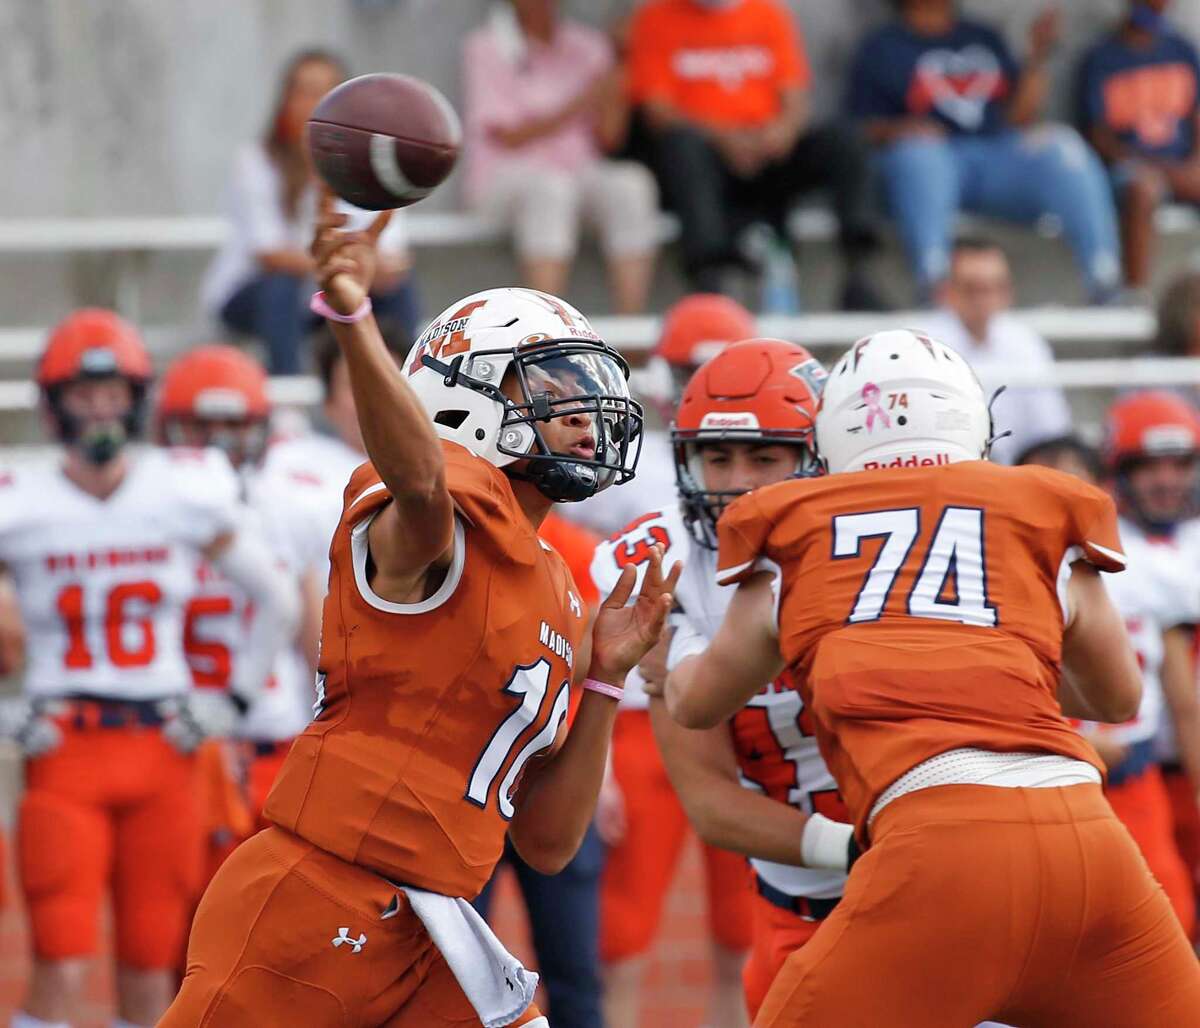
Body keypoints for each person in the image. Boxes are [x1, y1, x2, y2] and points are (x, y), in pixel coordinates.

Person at [162, 192, 678, 1027]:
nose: (581, 411)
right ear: (460, 397)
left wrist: (606, 685)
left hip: (433, 926)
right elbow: (422, 483)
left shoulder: (557, 580)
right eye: (549, 384)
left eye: (586, 387)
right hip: (316, 897)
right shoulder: (432, 519)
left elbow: (546, 844)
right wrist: (355, 318)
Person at [656, 328, 1200, 1025]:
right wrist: (987, 637)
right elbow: (1119, 698)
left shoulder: (790, 542)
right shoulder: (1040, 516)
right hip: (1089, 839)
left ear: (829, 440)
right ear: (974, 423)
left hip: (938, 847)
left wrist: (674, 646)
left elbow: (697, 704)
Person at [0, 310, 296, 1028]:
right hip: (65, 746)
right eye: (84, 394)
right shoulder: (21, 499)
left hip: (165, 749)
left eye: (112, 394)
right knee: (62, 959)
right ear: (52, 402)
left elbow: (278, 598)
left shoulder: (178, 491)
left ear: (137, 399)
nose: (100, 410)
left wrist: (229, 699)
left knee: (149, 962)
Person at [611, 339, 842, 1024]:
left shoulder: (878, 546)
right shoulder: (669, 569)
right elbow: (709, 801)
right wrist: (854, 847)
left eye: (764, 457)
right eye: (718, 457)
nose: (739, 481)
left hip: (922, 886)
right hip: (794, 896)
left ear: (818, 455)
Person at [1021, 399, 1200, 936]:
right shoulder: (1000, 573)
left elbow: (1182, 695)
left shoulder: (1137, 564)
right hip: (1044, 778)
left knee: (1167, 917)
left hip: (1134, 775)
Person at [850, 0, 1121, 304]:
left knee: (1062, 146)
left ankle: (1104, 279)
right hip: (928, 166)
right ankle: (935, 284)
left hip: (994, 157)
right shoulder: (881, 46)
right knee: (920, 155)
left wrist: (1038, 57)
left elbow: (1017, 118)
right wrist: (901, 129)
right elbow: (858, 128)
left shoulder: (981, 36)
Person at [156, 345, 327, 825]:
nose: (217, 444)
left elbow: (314, 645)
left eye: (233, 428)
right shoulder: (147, 510)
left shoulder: (287, 508)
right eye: (200, 427)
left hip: (273, 739)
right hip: (182, 743)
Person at [627, 0, 886, 308]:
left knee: (845, 139)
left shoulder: (767, 13)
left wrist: (782, 131)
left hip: (769, 152)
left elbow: (795, 96)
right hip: (705, 158)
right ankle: (711, 280)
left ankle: (860, 271)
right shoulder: (657, 16)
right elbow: (657, 112)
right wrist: (725, 139)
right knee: (682, 145)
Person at [201, 49, 418, 374]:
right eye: (305, 92)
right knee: (282, 288)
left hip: (335, 291)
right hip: (255, 295)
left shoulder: (372, 168)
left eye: (329, 92)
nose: (317, 103)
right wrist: (340, 264)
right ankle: (289, 401)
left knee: (396, 291)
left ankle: (407, 388)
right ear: (285, 104)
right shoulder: (257, 162)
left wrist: (376, 268)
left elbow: (393, 256)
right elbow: (269, 254)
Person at [473, 512, 608, 1028]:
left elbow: (595, 665)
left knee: (574, 972)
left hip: (546, 773)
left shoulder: (572, 547)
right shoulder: (458, 530)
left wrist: (605, 777)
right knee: (451, 970)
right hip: (469, 779)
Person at [462, 0, 660, 313]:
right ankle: (544, 332)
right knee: (550, 190)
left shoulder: (590, 46)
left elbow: (611, 137)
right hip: (505, 176)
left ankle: (632, 332)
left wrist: (622, 58)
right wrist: (584, 99)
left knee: (631, 184)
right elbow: (510, 136)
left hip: (579, 172)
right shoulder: (487, 46)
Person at [571, 292, 757, 535]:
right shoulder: (629, 458)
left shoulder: (775, 456)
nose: (710, 392)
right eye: (693, 374)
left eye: (727, 375)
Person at [1078, 0, 1200, 291]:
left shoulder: (1182, 50)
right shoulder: (1101, 58)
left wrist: (1195, 162)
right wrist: (1158, 168)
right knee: (1143, 188)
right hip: (1129, 169)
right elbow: (1098, 138)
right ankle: (1136, 295)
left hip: (1183, 168)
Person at [921, 236, 1072, 463]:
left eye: (995, 287)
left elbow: (1051, 431)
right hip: (946, 471)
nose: (985, 299)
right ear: (947, 291)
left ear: (1008, 292)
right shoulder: (922, 346)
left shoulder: (1026, 342)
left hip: (1018, 476)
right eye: (973, 289)